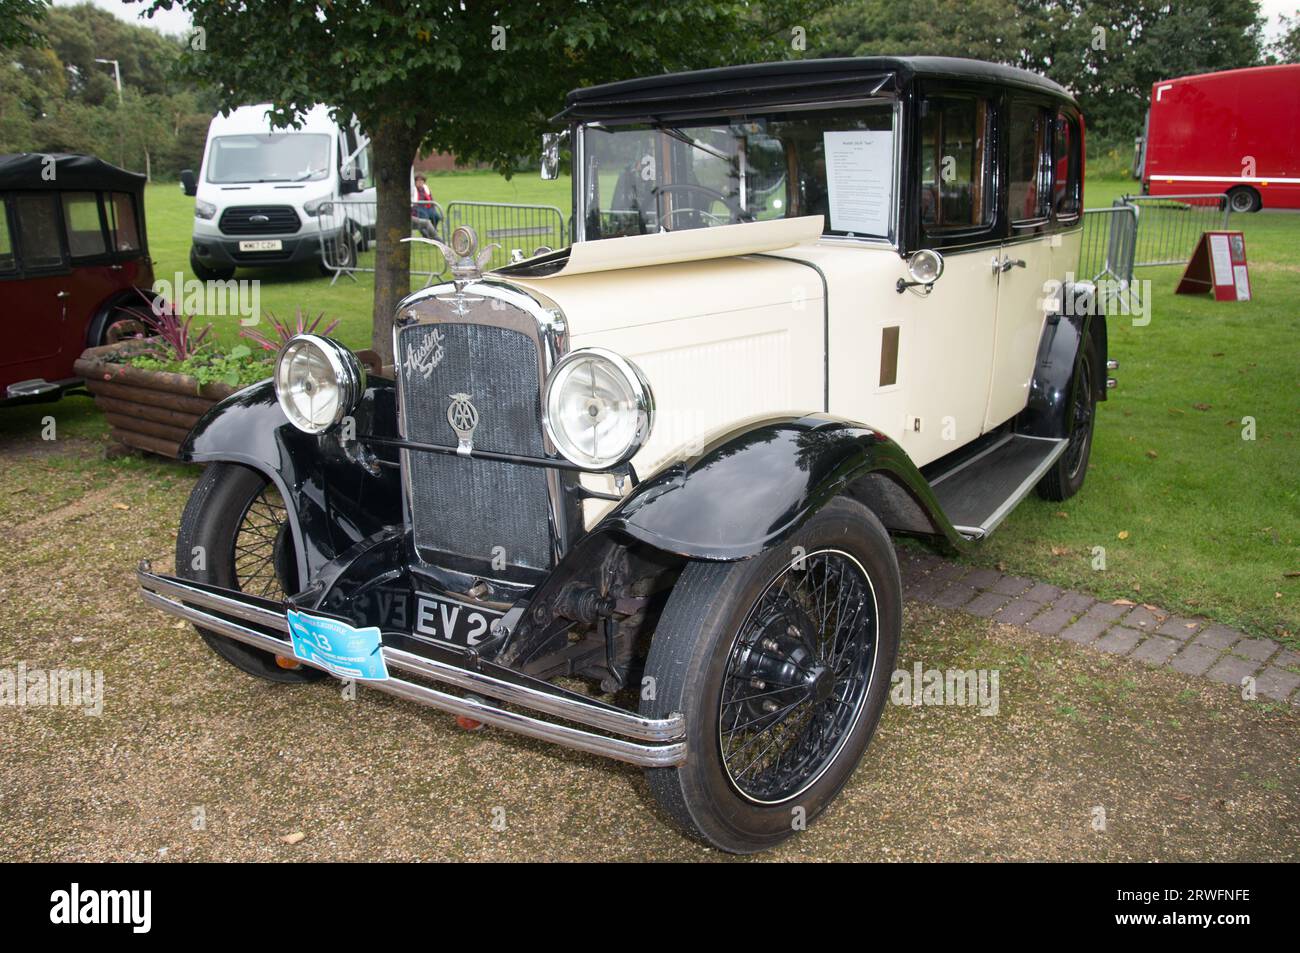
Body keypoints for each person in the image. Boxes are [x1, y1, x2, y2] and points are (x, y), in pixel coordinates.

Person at [412, 173, 442, 239]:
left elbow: (431, 199)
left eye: (422, 181)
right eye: (418, 181)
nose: (420, 182)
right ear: (415, 182)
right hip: (417, 208)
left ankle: (432, 231)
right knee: (425, 217)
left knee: (436, 217)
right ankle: (427, 235)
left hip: (427, 207)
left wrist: (433, 207)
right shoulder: (413, 190)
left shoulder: (426, 188)